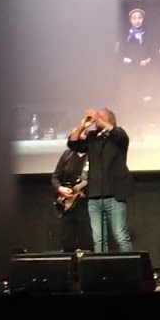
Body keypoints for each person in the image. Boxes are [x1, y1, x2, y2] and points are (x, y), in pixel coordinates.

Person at [66, 108, 133, 253]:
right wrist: (82, 125)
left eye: (100, 116)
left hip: (115, 196)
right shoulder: (92, 137)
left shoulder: (119, 136)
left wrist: (98, 117)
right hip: (94, 197)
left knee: (121, 236)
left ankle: (130, 271)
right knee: (98, 240)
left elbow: (116, 133)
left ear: (109, 120)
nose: (96, 119)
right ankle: (101, 271)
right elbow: (73, 144)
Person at [51, 145, 90, 252]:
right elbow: (55, 177)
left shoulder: (93, 155)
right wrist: (60, 188)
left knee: (86, 237)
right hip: (67, 203)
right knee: (67, 237)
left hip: (86, 202)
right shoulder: (68, 154)